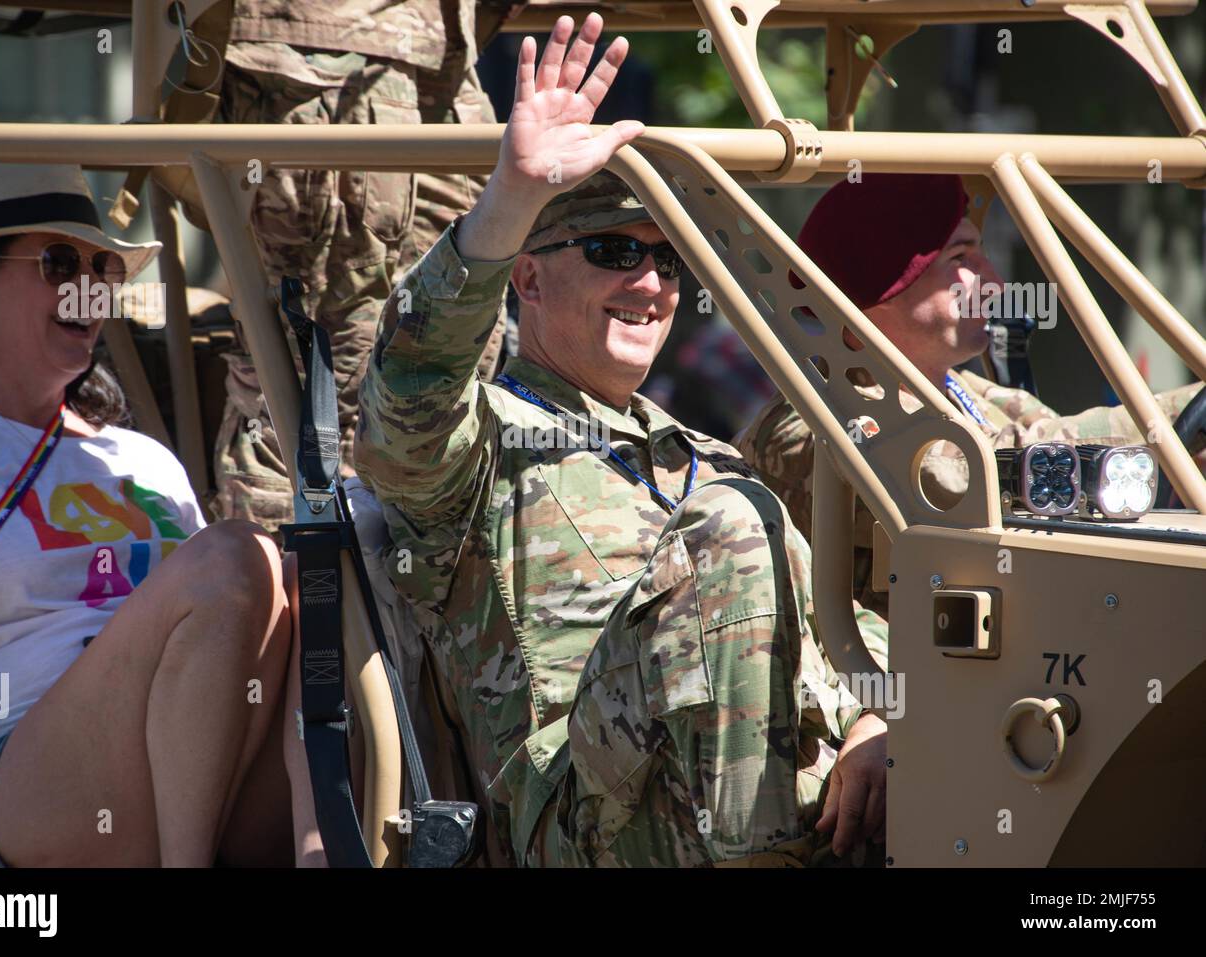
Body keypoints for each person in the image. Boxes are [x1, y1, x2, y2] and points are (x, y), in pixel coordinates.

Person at [354, 14, 888, 867]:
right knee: (731, 526)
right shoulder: (477, 445)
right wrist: (510, 201)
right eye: (613, 252)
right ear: (528, 278)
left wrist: (871, 715)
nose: (649, 284)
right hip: (582, 820)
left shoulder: (708, 459)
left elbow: (839, 622)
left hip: (790, 790)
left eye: (667, 261)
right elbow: (408, 388)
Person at [0, 164, 295, 867]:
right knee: (241, 558)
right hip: (1, 782)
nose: (88, 285)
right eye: (58, 262)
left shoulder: (144, 457)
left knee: (313, 584)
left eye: (103, 266)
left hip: (179, 772)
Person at [734, 173, 1204, 618]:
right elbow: (959, 475)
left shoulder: (969, 392)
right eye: (961, 259)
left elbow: (1054, 437)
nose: (994, 283)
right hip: (889, 690)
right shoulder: (810, 421)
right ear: (881, 290)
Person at [212, 0, 508, 534]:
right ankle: (295, 591)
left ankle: (385, 588)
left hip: (441, 43)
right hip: (323, 43)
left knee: (442, 375)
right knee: (308, 384)